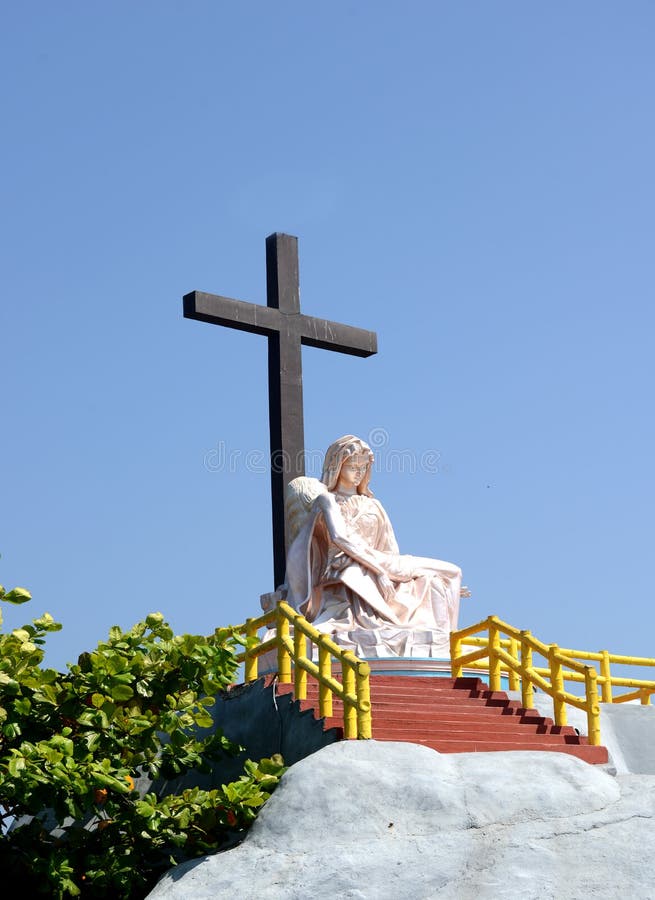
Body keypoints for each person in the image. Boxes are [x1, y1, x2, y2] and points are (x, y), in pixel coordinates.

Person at [283, 435, 467, 656]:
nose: (359, 472)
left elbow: (389, 549)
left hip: (383, 561)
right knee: (447, 574)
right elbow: (335, 540)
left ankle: (449, 640)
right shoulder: (326, 500)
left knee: (450, 574)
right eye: (353, 466)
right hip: (350, 565)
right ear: (337, 465)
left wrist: (386, 573)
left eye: (363, 467)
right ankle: (448, 642)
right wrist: (378, 572)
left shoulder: (374, 505)